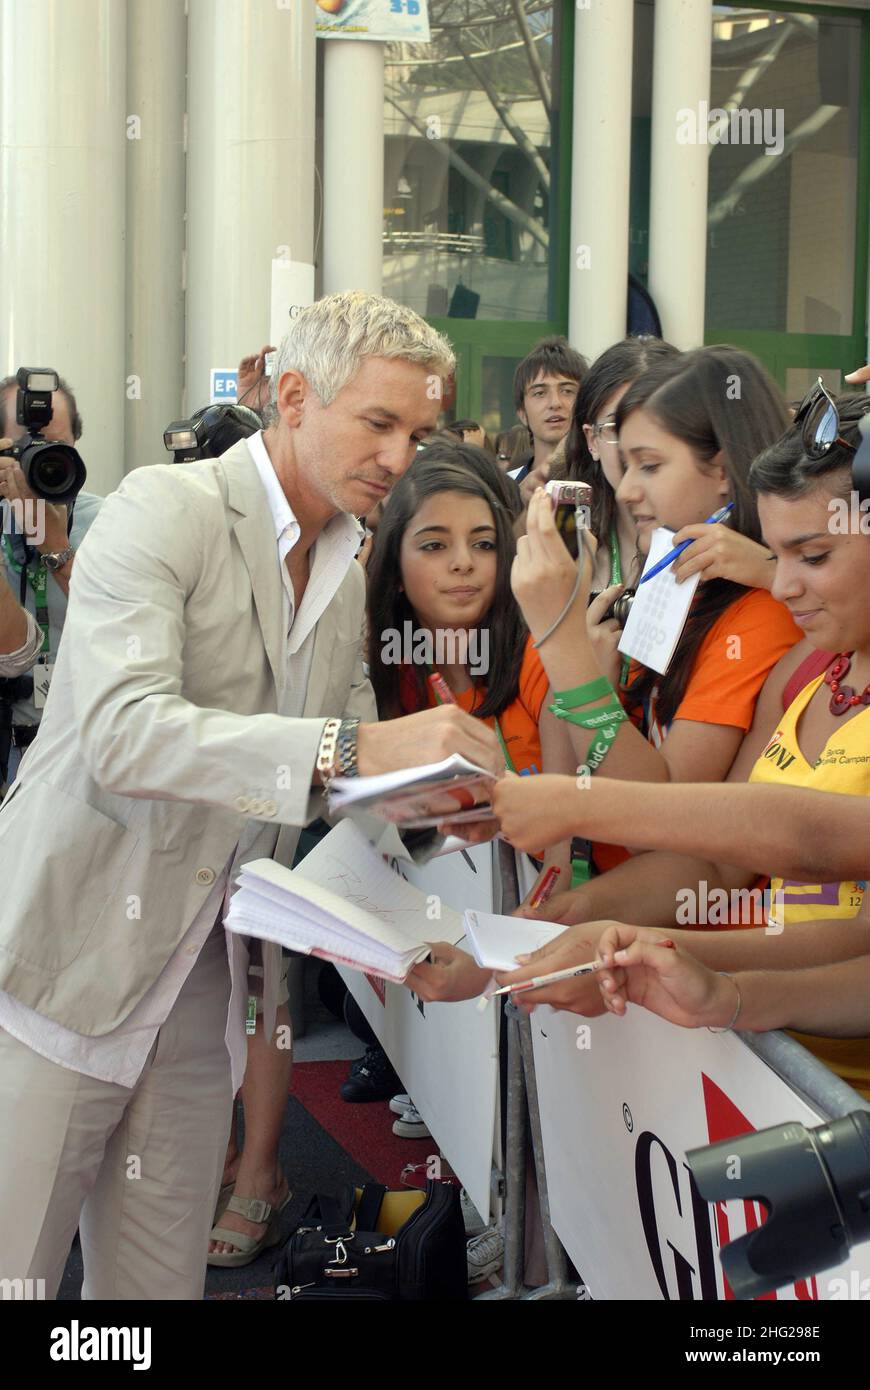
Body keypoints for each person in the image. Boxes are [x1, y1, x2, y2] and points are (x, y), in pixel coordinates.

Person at [0, 290, 504, 1300]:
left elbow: (348, 781)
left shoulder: (347, 558)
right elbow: (121, 732)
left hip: (197, 991)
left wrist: (444, 813)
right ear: (292, 395)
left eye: (420, 431)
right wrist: (351, 745)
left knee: (153, 1294)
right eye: (379, 423)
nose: (402, 457)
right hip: (61, 966)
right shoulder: (161, 509)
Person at [491, 391, 870, 1096]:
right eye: (617, 457)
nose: (624, 487)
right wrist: (586, 920)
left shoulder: (766, 629)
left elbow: (801, 836)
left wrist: (582, 800)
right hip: (776, 1067)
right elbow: (728, 868)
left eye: (648, 463)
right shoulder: (810, 665)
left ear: (721, 471)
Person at [0, 375, 103, 786]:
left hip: (83, 754)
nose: (41, 462)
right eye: (26, 449)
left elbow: (124, 624)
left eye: (56, 447)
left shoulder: (110, 519)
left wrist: (55, 546)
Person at [509, 336, 587, 488]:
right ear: (522, 414)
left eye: (567, 391)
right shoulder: (505, 488)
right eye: (539, 393)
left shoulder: (606, 481)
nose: (555, 403)